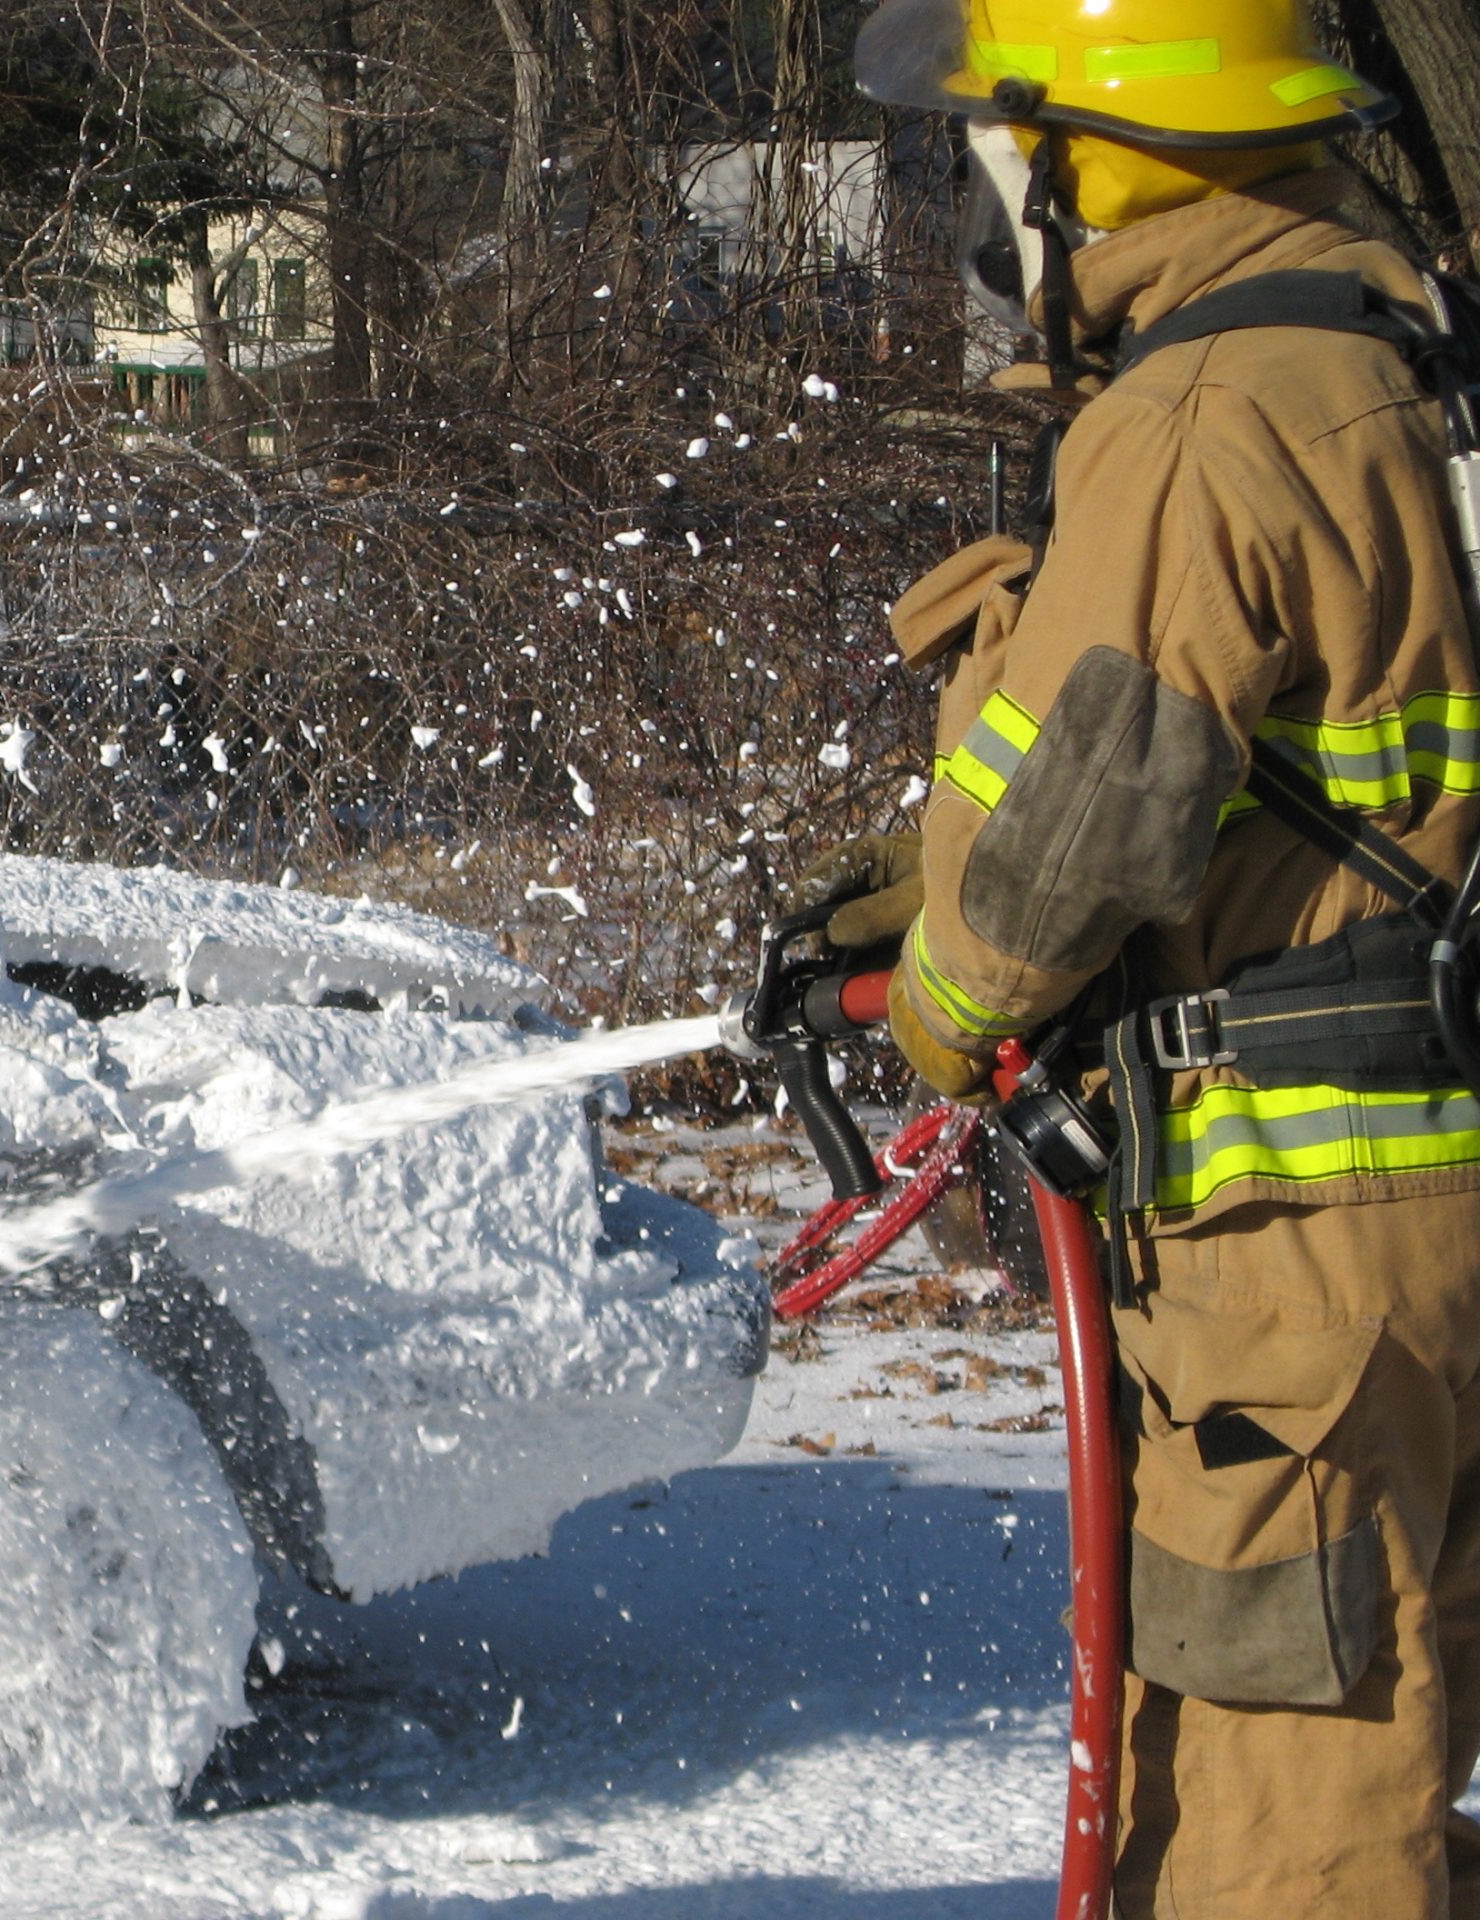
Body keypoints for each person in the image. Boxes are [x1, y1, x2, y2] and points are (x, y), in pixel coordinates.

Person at [816, 2, 1480, 1912]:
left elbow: (1053, 864)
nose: (984, 203)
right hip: (1441, 1212)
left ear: (1095, 154)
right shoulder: (1418, 350)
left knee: (1291, 1833)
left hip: (1306, 1271)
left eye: (997, 155)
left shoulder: (1203, 419)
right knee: (1419, 1763)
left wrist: (936, 1005)